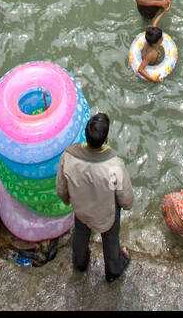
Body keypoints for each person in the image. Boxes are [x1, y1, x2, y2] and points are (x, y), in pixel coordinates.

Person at [55, 112, 134, 282]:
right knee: (111, 239)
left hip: (81, 209)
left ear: (85, 134)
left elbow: (61, 189)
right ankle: (113, 270)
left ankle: (80, 263)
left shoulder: (68, 157)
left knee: (80, 235)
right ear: (106, 139)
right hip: (106, 214)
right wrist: (123, 205)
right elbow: (126, 200)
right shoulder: (114, 165)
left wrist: (69, 200)